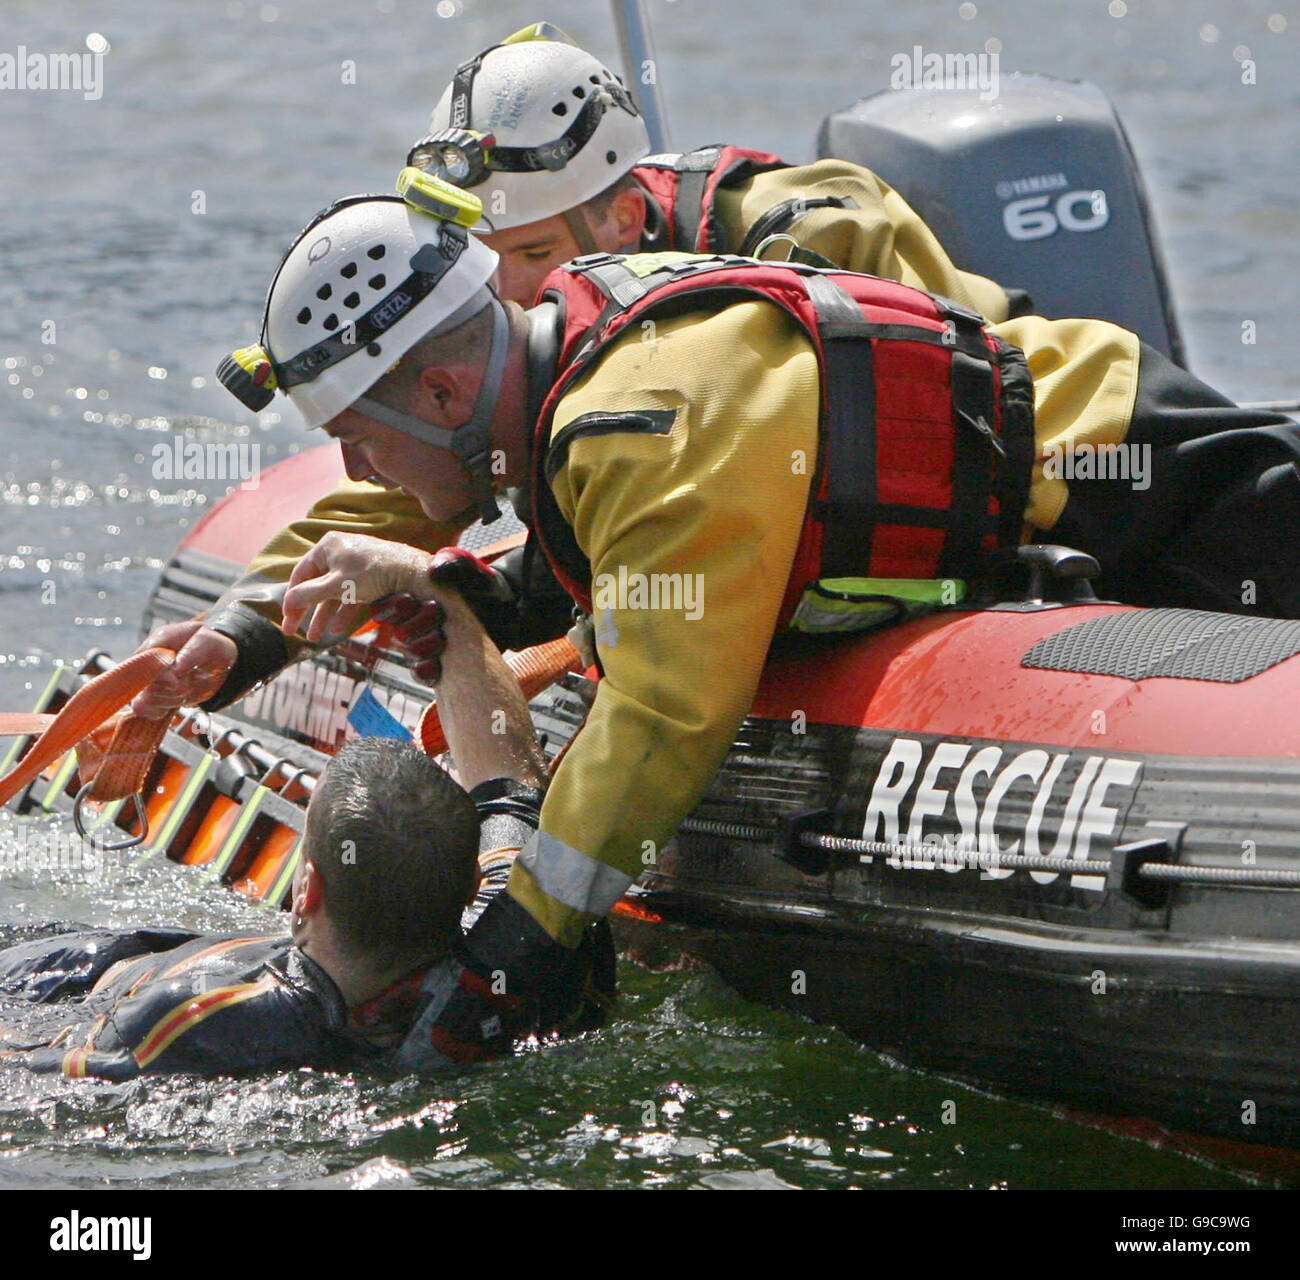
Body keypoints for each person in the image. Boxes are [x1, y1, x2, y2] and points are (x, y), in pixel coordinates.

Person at [162, 179, 1300, 1056]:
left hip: (1146, 476)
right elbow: (441, 509)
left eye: (358, 433)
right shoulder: (556, 376)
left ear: (448, 392)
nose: (352, 465)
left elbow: (663, 711)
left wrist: (514, 946)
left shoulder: (630, 422)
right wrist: (254, 629)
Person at [129, 21, 1036, 721]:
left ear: (628, 219)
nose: (499, 292)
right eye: (478, 258)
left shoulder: (820, 234)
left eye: (528, 251)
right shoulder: (524, 339)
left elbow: (964, 399)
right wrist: (246, 630)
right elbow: (389, 490)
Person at [0, 586, 611, 1077]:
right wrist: (436, 597)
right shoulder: (520, 968)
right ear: (473, 880)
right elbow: (509, 786)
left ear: (306, 893)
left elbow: (35, 1074)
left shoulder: (192, 1017)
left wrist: (433, 590)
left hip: (85, 977)